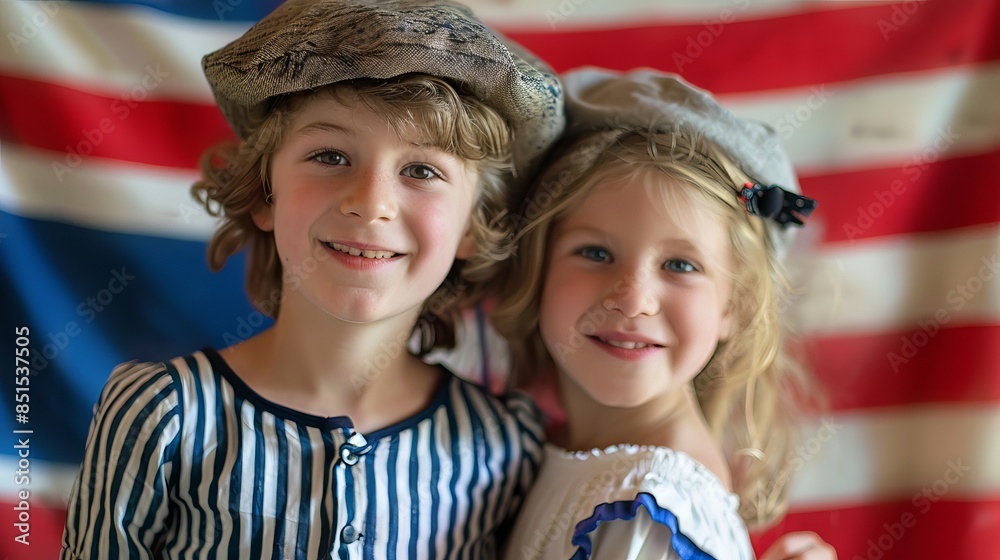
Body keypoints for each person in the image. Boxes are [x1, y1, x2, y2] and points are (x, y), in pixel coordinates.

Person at [59, 0, 564, 558]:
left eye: (421, 171)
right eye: (330, 155)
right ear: (263, 194)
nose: (371, 204)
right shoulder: (164, 414)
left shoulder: (504, 446)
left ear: (474, 225)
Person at [491, 68, 834, 559]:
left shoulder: (651, 505)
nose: (632, 299)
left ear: (734, 304)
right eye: (595, 253)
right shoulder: (554, 452)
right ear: (537, 265)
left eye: (680, 265)